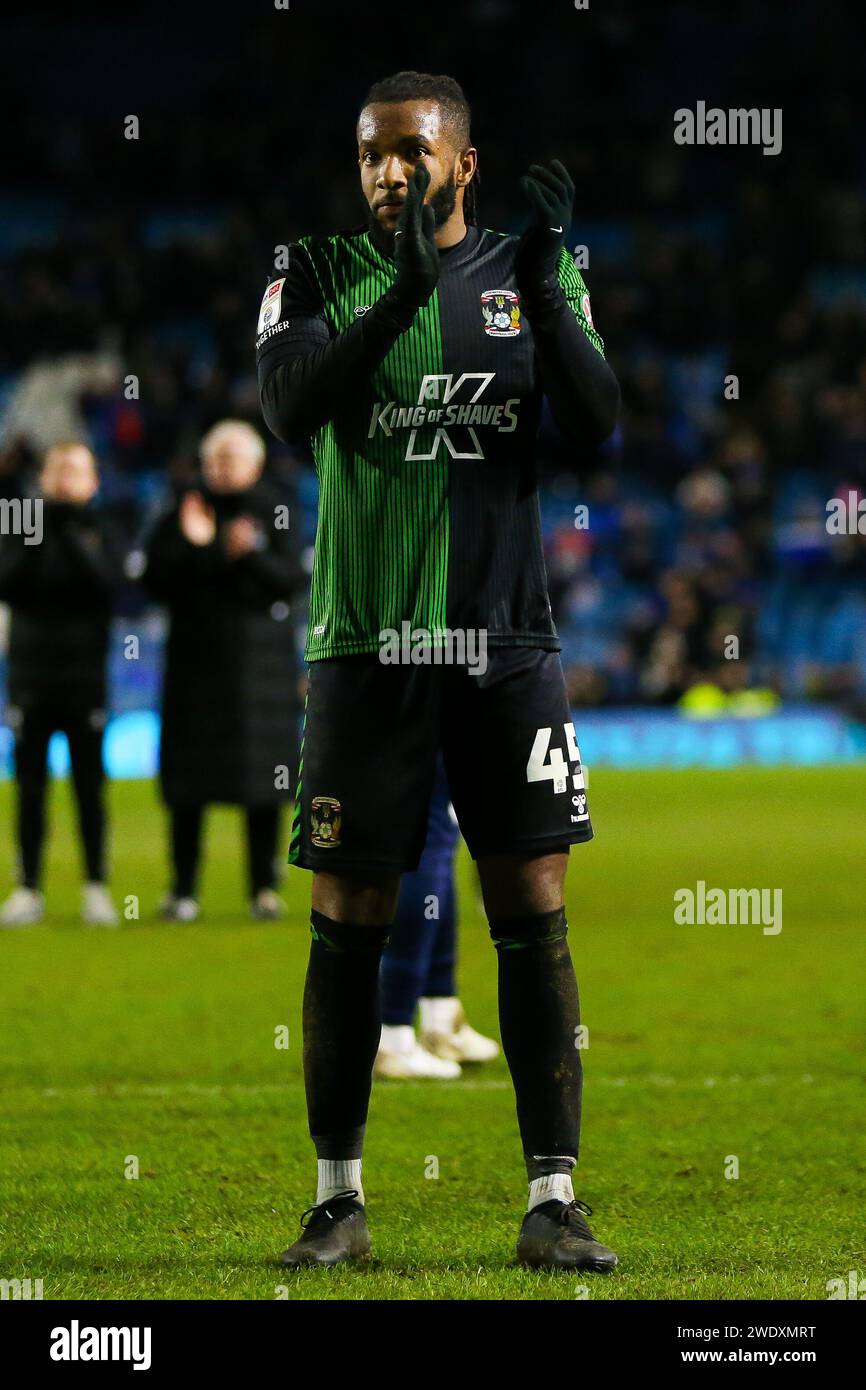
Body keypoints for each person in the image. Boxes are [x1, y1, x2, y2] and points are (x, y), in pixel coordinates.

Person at [257, 71, 620, 1270]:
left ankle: (553, 1201)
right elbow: (291, 407)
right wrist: (398, 291)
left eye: (409, 151)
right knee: (347, 914)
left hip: (503, 646)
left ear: (462, 162)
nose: (385, 172)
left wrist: (557, 276)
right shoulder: (310, 268)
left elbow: (598, 416)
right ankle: (336, 1201)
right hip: (366, 647)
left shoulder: (529, 268)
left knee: (533, 909)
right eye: (368, 153)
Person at [143, 420, 298, 922]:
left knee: (264, 787)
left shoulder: (276, 508)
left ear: (254, 464)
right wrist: (205, 547)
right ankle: (183, 888)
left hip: (263, 673)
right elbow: (154, 580)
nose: (222, 468)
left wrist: (244, 552)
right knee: (189, 785)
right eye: (215, 459)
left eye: (232, 459)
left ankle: (263, 888)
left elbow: (288, 580)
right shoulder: (181, 509)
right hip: (193, 670)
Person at [0, 441, 120, 927]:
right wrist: (44, 523)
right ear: (43, 476)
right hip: (30, 676)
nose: (66, 477)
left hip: (86, 678)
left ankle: (96, 887)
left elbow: (107, 585)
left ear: (93, 480)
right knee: (29, 787)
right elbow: (6, 581)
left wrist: (68, 528)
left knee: (90, 786)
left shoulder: (102, 525)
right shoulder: (20, 518)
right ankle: (28, 888)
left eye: (76, 469)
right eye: (58, 468)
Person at [374, 755, 499, 1079]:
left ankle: (441, 1018)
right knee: (431, 832)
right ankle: (394, 1035)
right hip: (422, 715)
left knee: (439, 830)